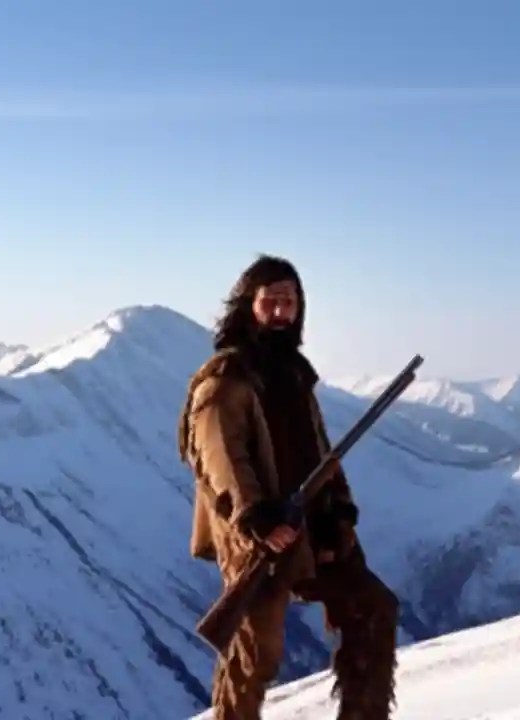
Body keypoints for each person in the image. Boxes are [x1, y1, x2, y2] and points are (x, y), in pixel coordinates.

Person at [177, 254, 400, 719]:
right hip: (256, 535)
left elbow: (320, 452)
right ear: (248, 306)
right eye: (270, 302)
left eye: (290, 302)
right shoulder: (224, 381)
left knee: (372, 608)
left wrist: (339, 509)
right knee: (254, 656)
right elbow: (222, 460)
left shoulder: (294, 373)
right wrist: (257, 519)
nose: (281, 312)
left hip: (311, 524)